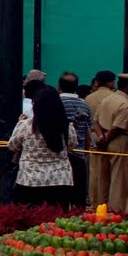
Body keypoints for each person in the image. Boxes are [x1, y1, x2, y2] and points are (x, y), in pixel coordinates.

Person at [9, 86, 76, 208]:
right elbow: (71, 145)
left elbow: (13, 146)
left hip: (30, 179)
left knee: (28, 217)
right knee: (58, 217)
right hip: (61, 179)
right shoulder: (67, 127)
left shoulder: (25, 125)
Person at [90, 73, 128, 212]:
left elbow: (95, 121)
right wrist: (107, 139)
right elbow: (118, 127)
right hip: (118, 141)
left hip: (102, 141)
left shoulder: (107, 99)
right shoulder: (126, 104)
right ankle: (115, 212)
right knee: (119, 179)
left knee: (102, 178)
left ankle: (100, 209)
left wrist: (101, 138)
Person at [57, 72, 92, 206]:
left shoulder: (56, 102)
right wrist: (86, 153)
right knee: (79, 198)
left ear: (59, 86)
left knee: (61, 199)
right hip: (79, 155)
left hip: (60, 156)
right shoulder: (84, 105)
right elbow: (88, 131)